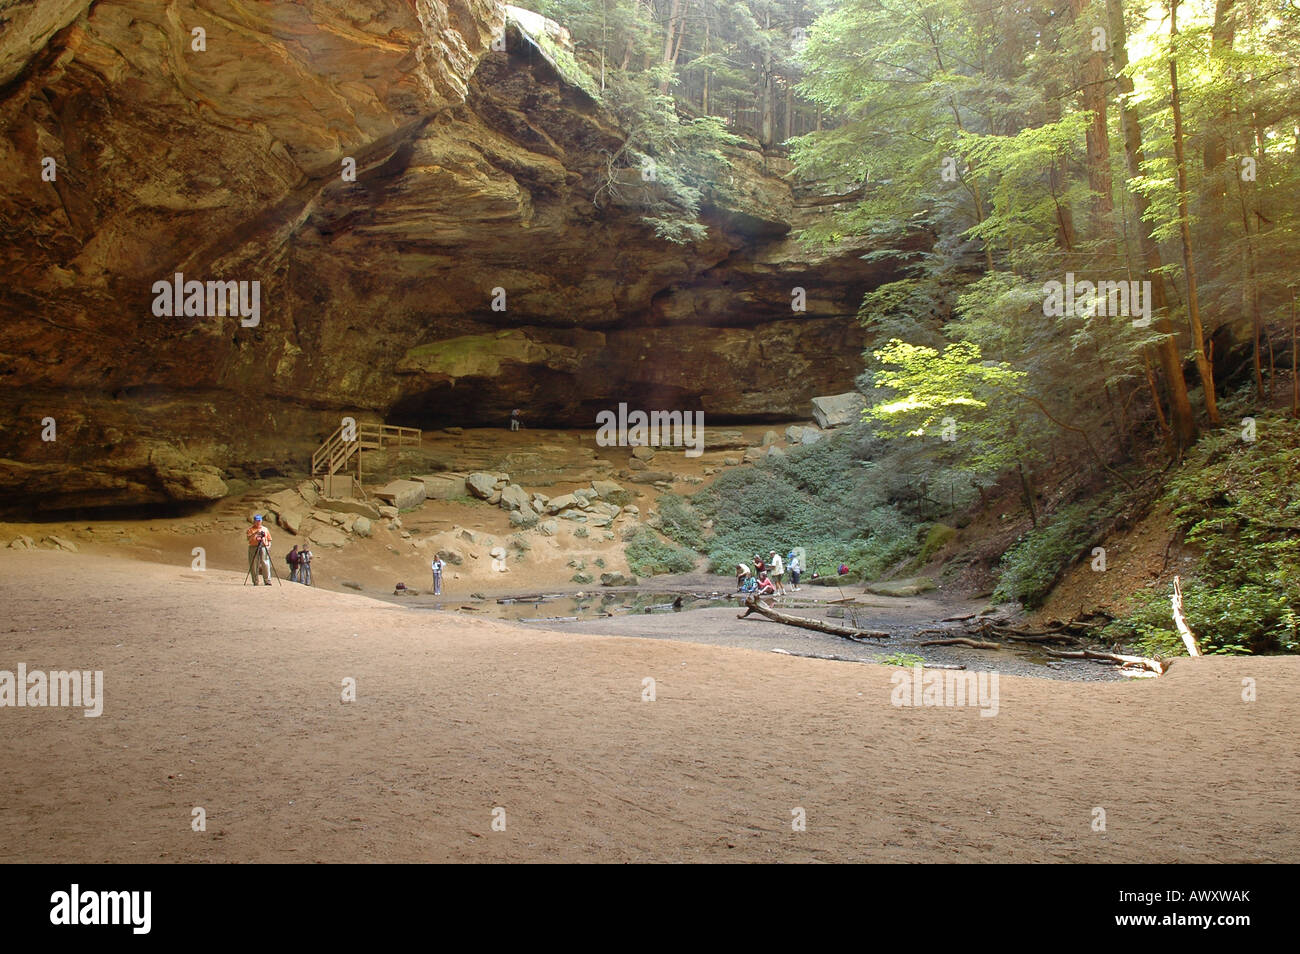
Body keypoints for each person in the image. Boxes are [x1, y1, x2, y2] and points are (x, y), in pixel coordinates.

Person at [246, 515, 272, 586]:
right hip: (253, 547)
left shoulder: (265, 529)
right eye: (256, 521)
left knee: (265, 563)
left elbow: (269, 539)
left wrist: (268, 546)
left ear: (261, 521)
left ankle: (267, 580)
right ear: (254, 521)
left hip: (263, 547)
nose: (258, 522)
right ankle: (255, 581)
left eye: (259, 520)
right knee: (254, 564)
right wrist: (255, 533)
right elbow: (248, 539)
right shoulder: (250, 529)